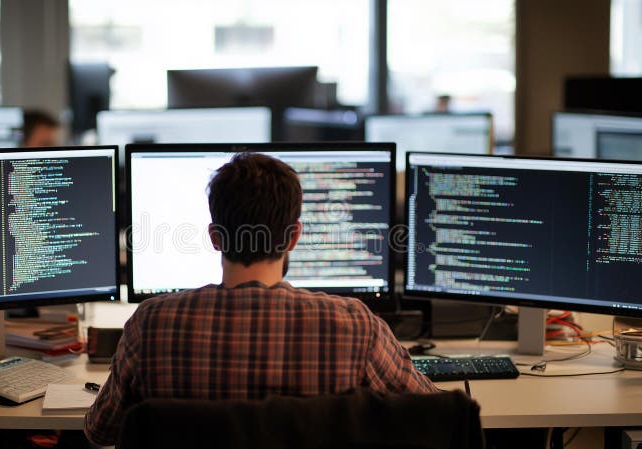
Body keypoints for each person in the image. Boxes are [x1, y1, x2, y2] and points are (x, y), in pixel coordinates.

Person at [84, 153, 439, 446]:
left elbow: (101, 431)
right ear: (294, 236)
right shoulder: (355, 326)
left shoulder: (151, 323)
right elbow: (435, 414)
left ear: (215, 238)